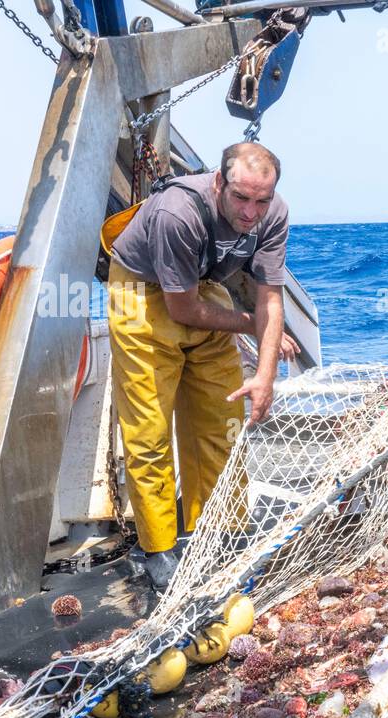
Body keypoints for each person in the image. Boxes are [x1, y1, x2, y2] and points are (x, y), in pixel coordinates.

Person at [105, 142, 295, 588]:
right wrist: (253, 325)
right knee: (148, 429)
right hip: (142, 293)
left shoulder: (274, 213)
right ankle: (158, 548)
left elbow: (271, 296)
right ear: (219, 182)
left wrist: (264, 378)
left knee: (221, 420)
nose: (251, 213)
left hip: (203, 288)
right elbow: (184, 312)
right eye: (241, 198)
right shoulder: (179, 214)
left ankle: (218, 533)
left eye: (261, 201)